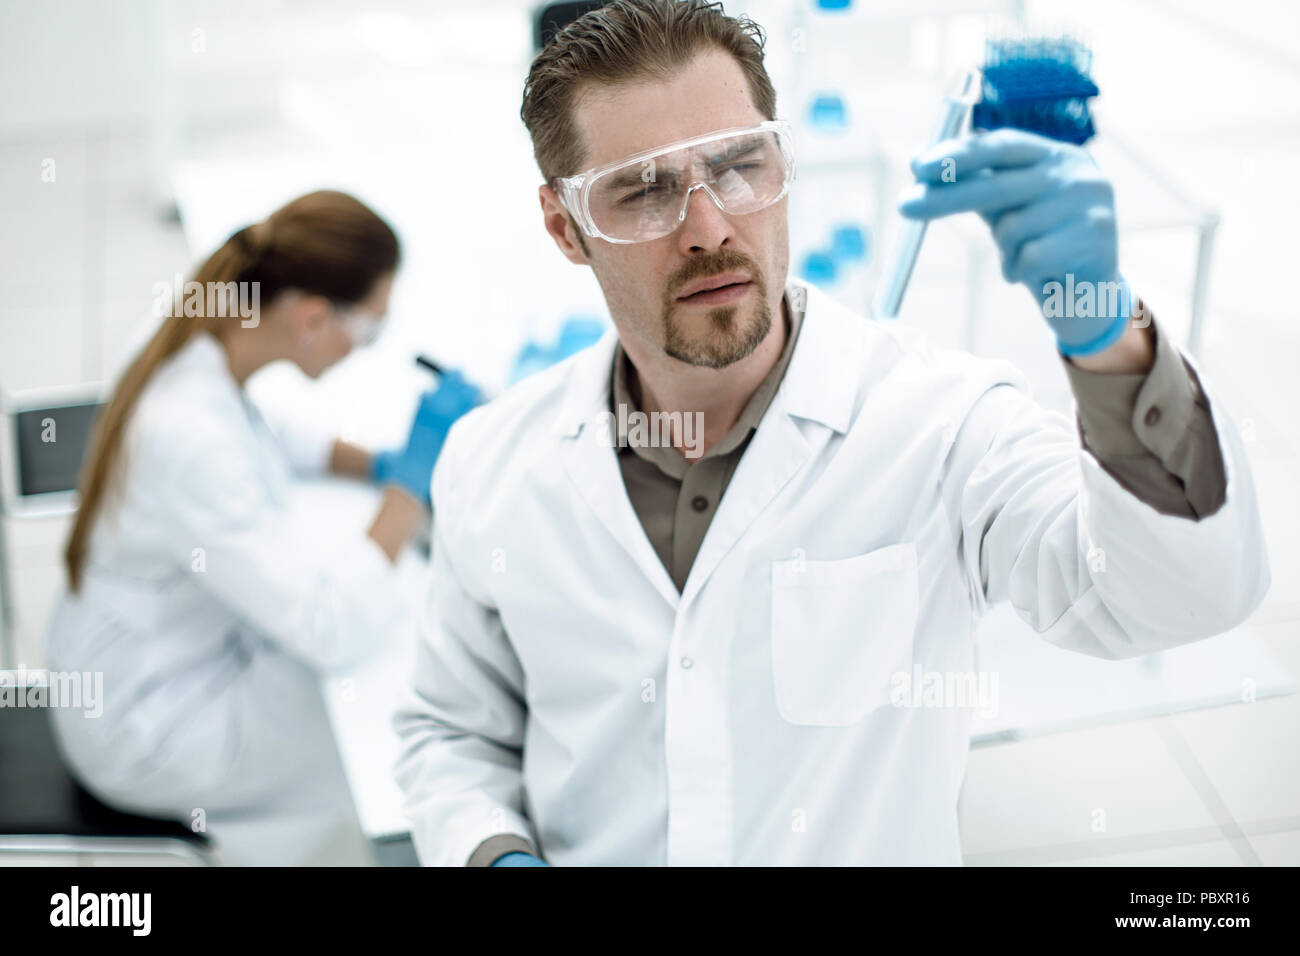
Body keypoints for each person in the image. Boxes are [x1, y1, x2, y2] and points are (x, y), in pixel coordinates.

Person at [393, 0, 1269, 866]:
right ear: (565, 227)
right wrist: (493, 854)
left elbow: (1182, 598)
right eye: (644, 190)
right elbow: (452, 731)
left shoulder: (942, 425)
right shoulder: (491, 463)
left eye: (738, 165)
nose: (709, 228)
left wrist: (1109, 335)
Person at [47, 190, 480, 865]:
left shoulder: (200, 335)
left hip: (143, 650)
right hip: (147, 725)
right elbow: (328, 628)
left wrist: (372, 463)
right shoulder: (191, 441)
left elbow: (261, 430)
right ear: (311, 319)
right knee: (391, 739)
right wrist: (409, 491)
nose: (363, 351)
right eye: (369, 330)